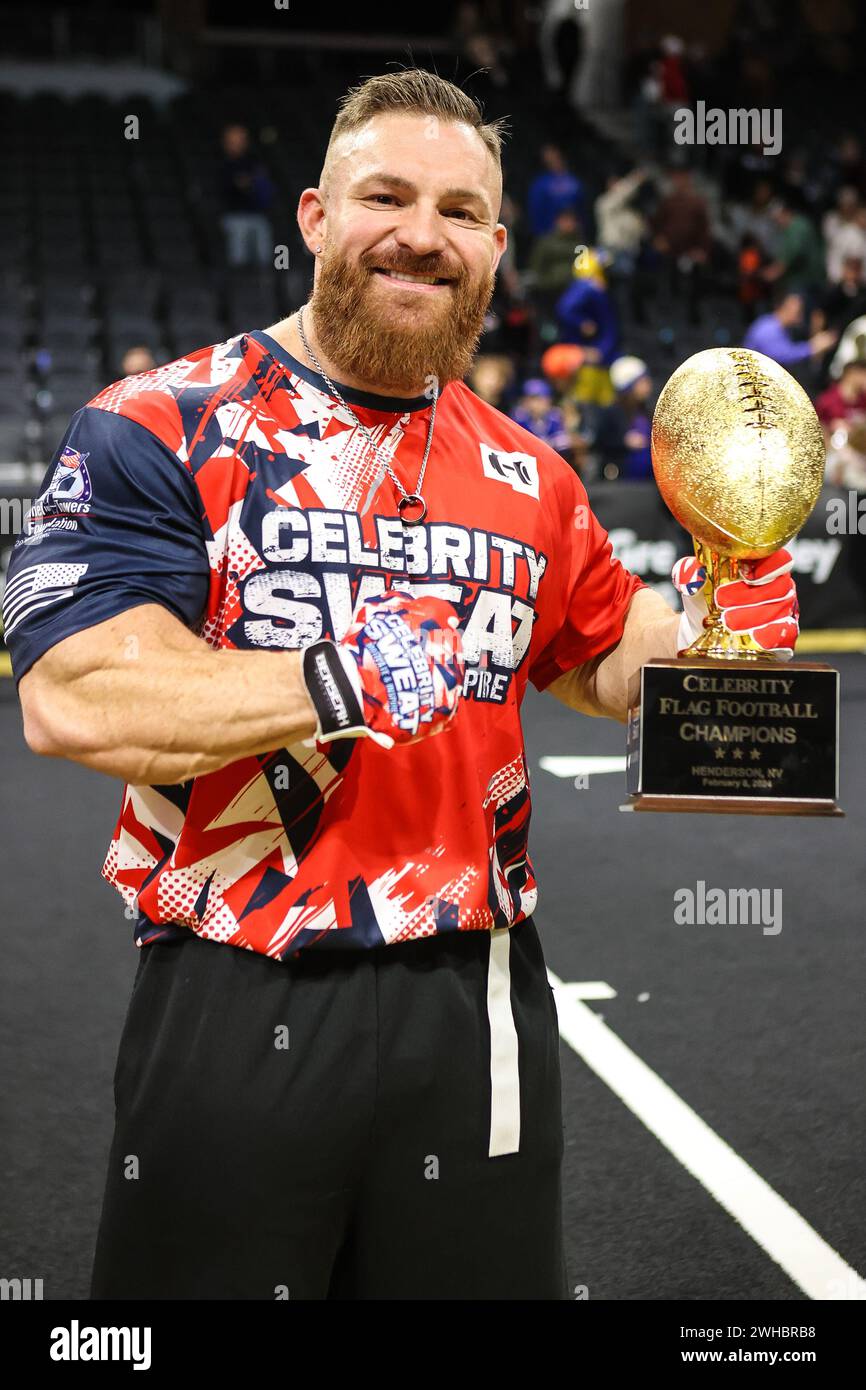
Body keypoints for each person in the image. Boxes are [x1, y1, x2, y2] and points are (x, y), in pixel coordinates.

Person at [2, 67, 800, 1303]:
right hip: (236, 979)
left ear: (493, 243)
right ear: (315, 216)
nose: (420, 235)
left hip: (474, 993)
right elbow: (78, 696)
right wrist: (342, 673)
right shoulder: (158, 423)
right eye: (385, 196)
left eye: (458, 211)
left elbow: (594, 660)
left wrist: (709, 615)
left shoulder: (527, 471)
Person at [221, 123, 274, 267]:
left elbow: (259, 183)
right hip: (235, 216)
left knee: (264, 258)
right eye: (235, 139)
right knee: (238, 260)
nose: (239, 142)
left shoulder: (253, 160)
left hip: (257, 214)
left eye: (242, 138)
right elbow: (233, 186)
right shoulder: (224, 163)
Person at [594, 356, 654, 480]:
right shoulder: (611, 412)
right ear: (629, 387)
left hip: (647, 481)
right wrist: (623, 441)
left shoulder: (647, 410)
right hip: (621, 480)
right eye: (642, 382)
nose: (648, 385)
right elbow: (599, 442)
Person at [743, 289, 837, 367]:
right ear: (786, 307)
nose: (801, 316)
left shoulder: (781, 328)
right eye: (798, 311)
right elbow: (784, 355)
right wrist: (813, 346)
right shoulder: (768, 329)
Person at [762, 196, 825, 297]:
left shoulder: (797, 227)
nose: (776, 222)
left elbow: (790, 256)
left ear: (785, 212)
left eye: (776, 218)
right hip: (804, 282)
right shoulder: (794, 226)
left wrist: (768, 274)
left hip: (805, 283)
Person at [527, 143, 586, 237]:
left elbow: (581, 207)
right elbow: (535, 210)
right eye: (547, 154)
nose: (551, 157)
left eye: (553, 153)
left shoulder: (573, 181)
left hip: (573, 233)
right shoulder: (540, 183)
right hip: (548, 234)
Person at [814, 358, 866, 434]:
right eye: (863, 374)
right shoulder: (828, 400)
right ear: (851, 374)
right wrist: (830, 426)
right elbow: (816, 425)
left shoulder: (863, 399)